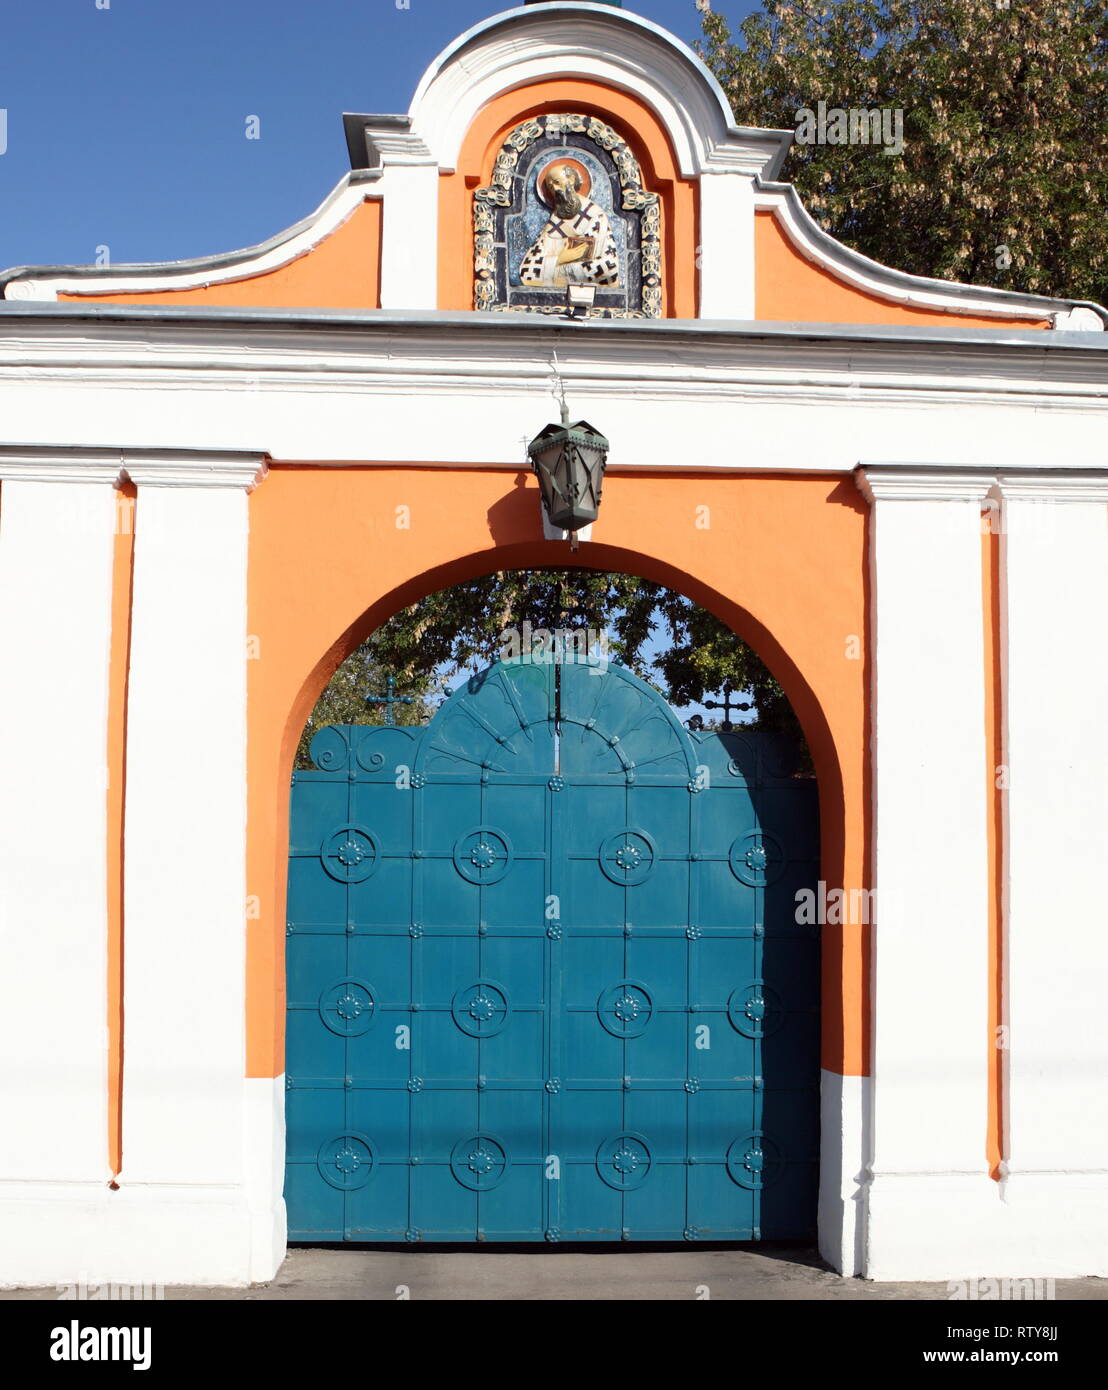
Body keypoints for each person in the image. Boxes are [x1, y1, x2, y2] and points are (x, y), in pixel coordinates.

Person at [519, 163, 620, 289]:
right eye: (550, 187)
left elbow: (610, 268)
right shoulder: (554, 223)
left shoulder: (595, 216)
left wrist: (556, 271)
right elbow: (527, 273)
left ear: (571, 179)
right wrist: (559, 259)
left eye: (557, 182)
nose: (555, 189)